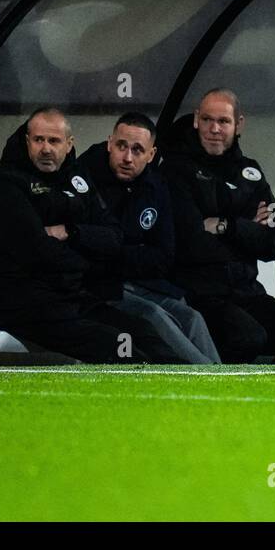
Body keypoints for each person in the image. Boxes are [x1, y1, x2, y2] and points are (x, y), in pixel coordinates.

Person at [0, 108, 179, 363]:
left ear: (69, 144)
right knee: (117, 346)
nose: (46, 149)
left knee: (143, 332)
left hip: (72, 299)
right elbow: (39, 253)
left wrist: (72, 232)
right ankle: (151, 398)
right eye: (39, 140)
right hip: (23, 305)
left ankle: (199, 390)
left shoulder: (77, 178)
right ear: (28, 141)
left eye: (54, 141)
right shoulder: (6, 184)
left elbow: (115, 237)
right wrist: (91, 257)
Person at [162, 89, 275, 364]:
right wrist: (249, 228)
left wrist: (226, 226)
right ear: (196, 120)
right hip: (199, 295)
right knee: (248, 337)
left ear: (239, 124)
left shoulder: (252, 173)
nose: (214, 129)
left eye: (224, 122)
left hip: (247, 292)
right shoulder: (175, 171)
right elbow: (193, 242)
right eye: (207, 120)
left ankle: (268, 402)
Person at [77, 112, 221, 364]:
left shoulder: (156, 186)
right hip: (98, 286)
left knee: (192, 317)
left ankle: (220, 378)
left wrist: (116, 249)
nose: (127, 158)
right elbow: (85, 248)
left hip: (142, 283)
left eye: (137, 150)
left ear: (151, 155)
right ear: (110, 143)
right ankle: (210, 380)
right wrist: (133, 249)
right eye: (121, 146)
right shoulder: (83, 180)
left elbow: (164, 256)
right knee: (153, 314)